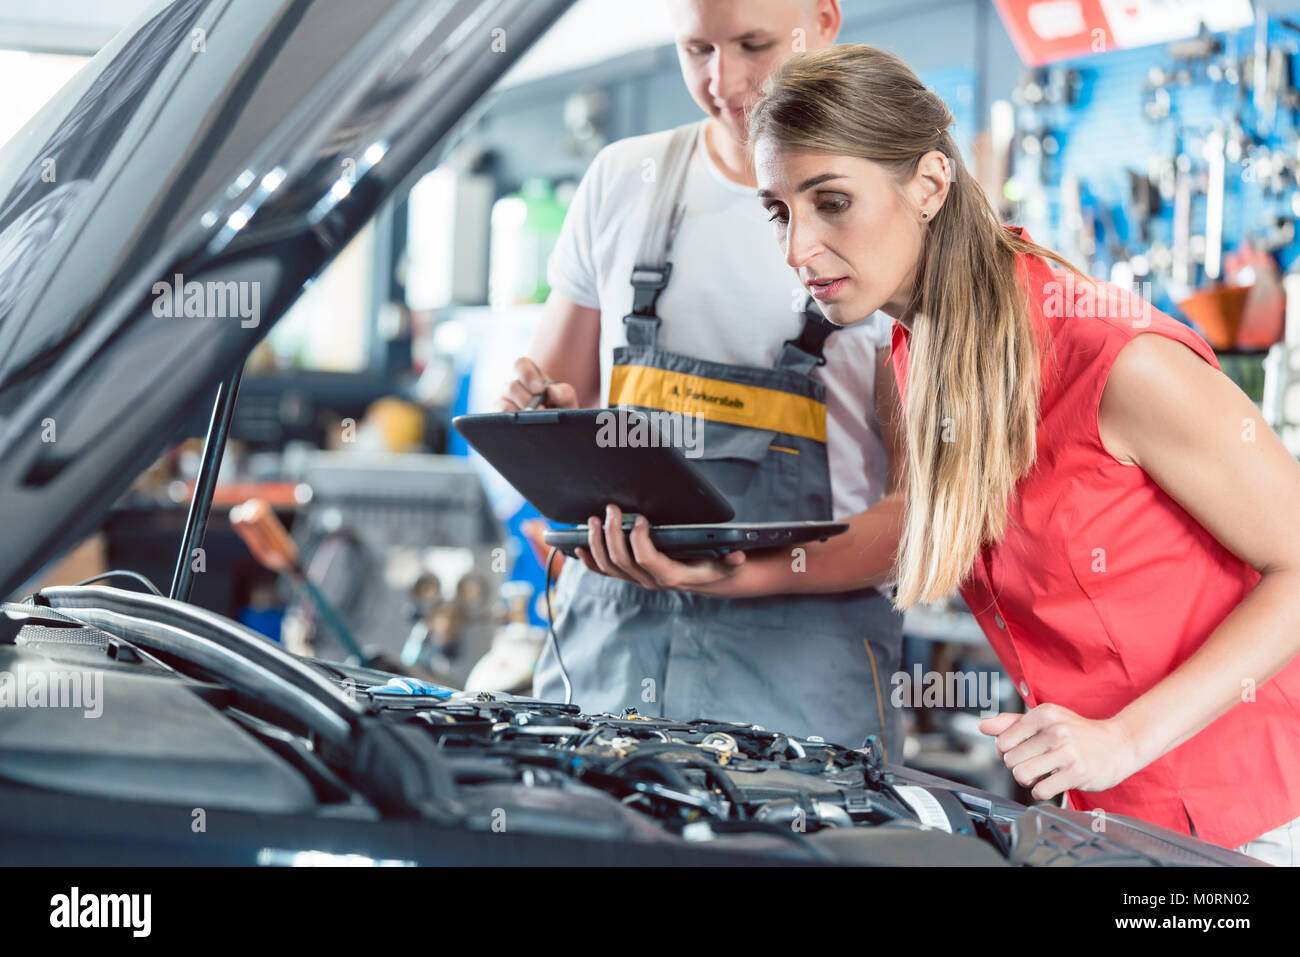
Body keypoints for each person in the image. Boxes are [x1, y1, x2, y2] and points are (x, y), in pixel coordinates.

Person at [747, 43, 1300, 864]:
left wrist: (1120, 737)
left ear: (930, 184)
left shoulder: (1117, 359)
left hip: (1254, 818)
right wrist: (736, 567)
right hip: (1110, 818)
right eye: (780, 212)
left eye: (831, 202)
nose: (798, 249)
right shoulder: (915, 357)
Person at [497, 0, 911, 753]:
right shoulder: (623, 181)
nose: (725, 81)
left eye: (753, 45)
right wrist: (539, 412)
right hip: (609, 656)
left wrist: (735, 577)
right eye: (696, 51)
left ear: (823, 20)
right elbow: (558, 409)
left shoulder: (895, 218)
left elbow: (920, 515)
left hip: (801, 680)